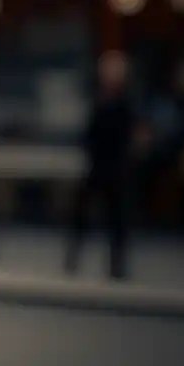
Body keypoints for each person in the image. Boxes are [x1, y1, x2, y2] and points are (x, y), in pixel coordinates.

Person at [66, 51, 138, 280]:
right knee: (82, 213)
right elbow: (89, 133)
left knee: (117, 218)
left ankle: (117, 264)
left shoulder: (125, 102)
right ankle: (73, 258)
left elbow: (128, 136)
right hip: (96, 165)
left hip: (115, 168)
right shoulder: (99, 100)